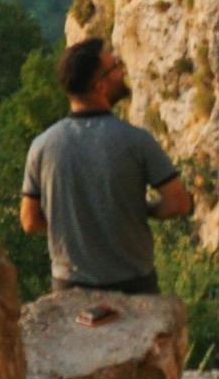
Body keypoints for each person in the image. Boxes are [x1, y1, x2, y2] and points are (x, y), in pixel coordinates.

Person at [19, 37, 193, 292]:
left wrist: (73, 223)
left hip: (69, 288)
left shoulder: (42, 146)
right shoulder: (137, 141)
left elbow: (29, 220)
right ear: (100, 86)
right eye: (115, 67)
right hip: (134, 286)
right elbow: (178, 203)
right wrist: (137, 211)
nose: (122, 71)